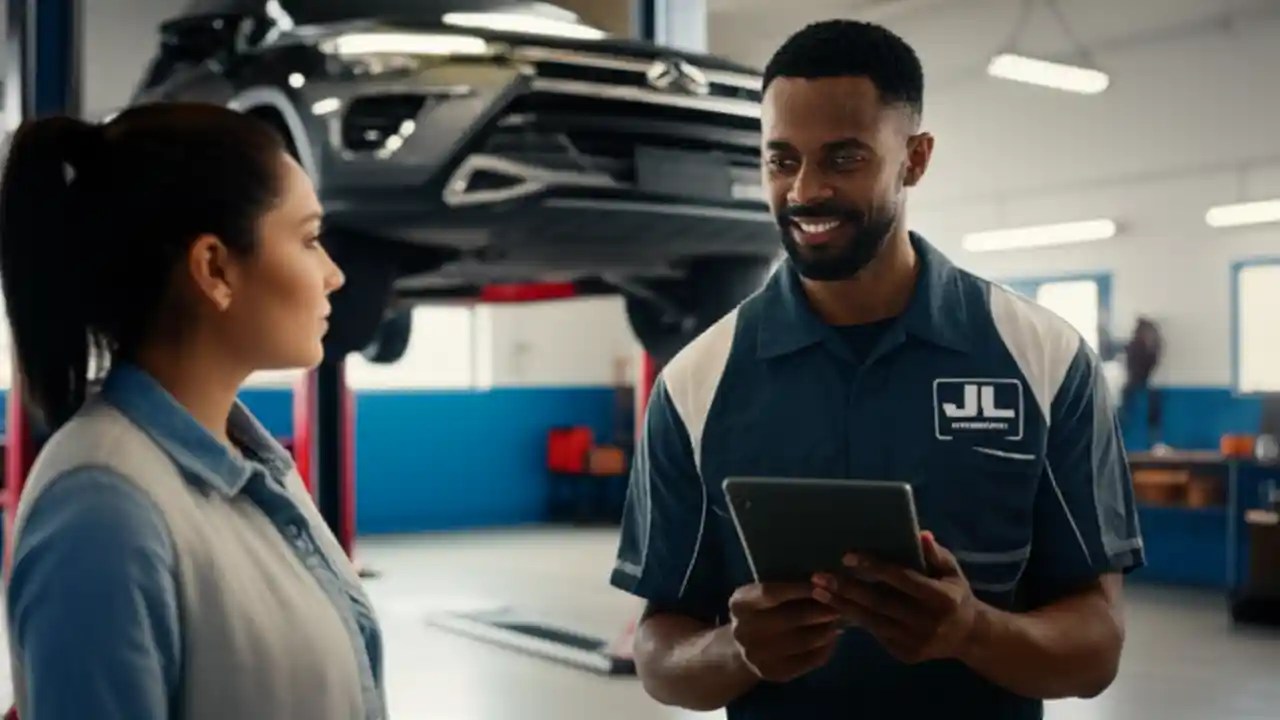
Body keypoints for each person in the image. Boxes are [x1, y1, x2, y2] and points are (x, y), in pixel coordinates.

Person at [610, 19, 1144, 719]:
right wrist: (739, 651)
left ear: (914, 159)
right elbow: (659, 650)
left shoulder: (1044, 360)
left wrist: (973, 631)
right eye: (781, 160)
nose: (805, 191)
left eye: (843, 159)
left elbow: (1097, 646)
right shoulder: (694, 382)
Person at [0, 104, 386, 719]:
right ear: (214, 268)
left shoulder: (252, 467)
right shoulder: (104, 507)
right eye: (310, 239)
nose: (333, 274)